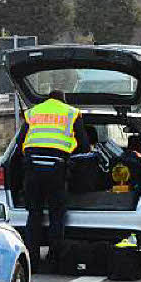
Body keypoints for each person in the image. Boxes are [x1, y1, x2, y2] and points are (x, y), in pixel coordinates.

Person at [19, 89, 89, 272]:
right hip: (56, 170)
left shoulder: (33, 112)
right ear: (63, 100)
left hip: (32, 169)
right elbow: (84, 146)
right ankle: (54, 258)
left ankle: (32, 260)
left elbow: (21, 143)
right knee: (56, 215)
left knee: (34, 215)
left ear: (48, 99)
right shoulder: (72, 113)